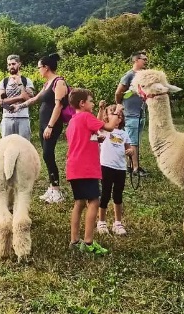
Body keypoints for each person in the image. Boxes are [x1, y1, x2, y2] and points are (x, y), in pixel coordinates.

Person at [64, 88, 118, 254]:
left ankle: (74, 240)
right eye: (91, 101)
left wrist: (95, 138)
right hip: (86, 169)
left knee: (79, 203)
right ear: (82, 103)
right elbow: (109, 127)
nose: (93, 103)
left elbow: (86, 137)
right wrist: (117, 111)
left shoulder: (73, 121)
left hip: (73, 168)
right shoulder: (86, 117)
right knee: (93, 201)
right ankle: (88, 242)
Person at [15, 53, 68, 203]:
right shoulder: (47, 83)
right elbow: (35, 99)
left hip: (52, 124)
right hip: (44, 124)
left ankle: (57, 190)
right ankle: (52, 187)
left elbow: (59, 105)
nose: (38, 70)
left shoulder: (59, 82)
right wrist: (19, 106)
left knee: (48, 154)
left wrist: (50, 126)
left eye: (39, 67)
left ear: (46, 67)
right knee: (46, 155)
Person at [95, 104, 133, 236]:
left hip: (120, 168)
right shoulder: (105, 130)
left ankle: (118, 223)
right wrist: (101, 109)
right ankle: (102, 222)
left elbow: (130, 148)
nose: (118, 118)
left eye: (120, 116)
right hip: (106, 166)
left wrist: (130, 151)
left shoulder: (124, 133)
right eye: (115, 114)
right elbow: (97, 122)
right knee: (105, 194)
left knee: (118, 194)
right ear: (107, 117)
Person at [115, 51, 149, 177]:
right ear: (136, 60)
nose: (146, 61)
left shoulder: (143, 75)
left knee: (136, 140)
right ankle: (136, 168)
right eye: (143, 59)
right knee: (133, 141)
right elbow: (118, 92)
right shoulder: (129, 75)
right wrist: (119, 105)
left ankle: (129, 166)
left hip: (140, 113)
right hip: (130, 114)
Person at [0, 54, 35, 141]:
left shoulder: (26, 81)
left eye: (13, 64)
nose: (11, 66)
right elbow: (0, 101)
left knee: (24, 146)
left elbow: (29, 100)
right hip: (7, 119)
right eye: (9, 65)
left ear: (19, 64)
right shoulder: (4, 82)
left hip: (23, 118)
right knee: (7, 146)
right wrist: (20, 97)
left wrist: (20, 84)